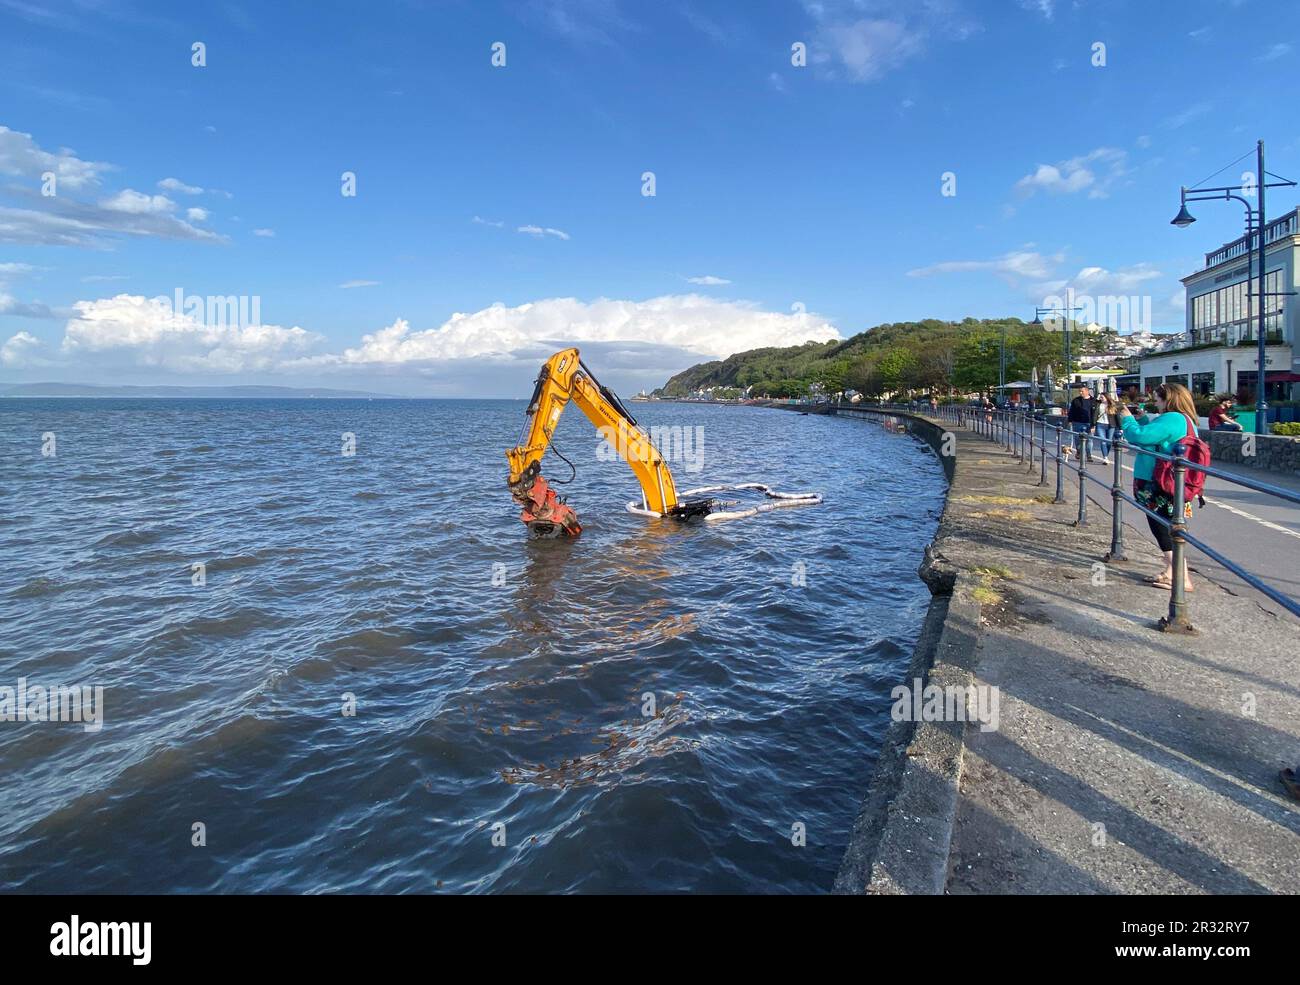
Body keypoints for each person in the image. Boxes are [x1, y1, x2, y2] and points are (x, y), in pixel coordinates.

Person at [1107, 382, 1200, 592]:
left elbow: (1138, 437)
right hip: (1170, 481)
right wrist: (1141, 419)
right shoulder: (1185, 420)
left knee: (1162, 527)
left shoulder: (1173, 418)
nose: (1156, 403)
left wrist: (1127, 418)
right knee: (1167, 524)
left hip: (1159, 483)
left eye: (1158, 399)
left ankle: (1181, 576)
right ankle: (1170, 572)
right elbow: (1152, 438)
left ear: (1169, 399)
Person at [1067, 385, 1099, 462]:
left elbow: (1095, 413)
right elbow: (1071, 411)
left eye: (1082, 391)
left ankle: (1089, 455)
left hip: (1089, 423)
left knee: (1089, 440)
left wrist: (1093, 425)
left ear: (1087, 391)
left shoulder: (1094, 401)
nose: (1081, 393)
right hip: (1077, 422)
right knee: (1077, 439)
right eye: (1080, 391)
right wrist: (1070, 420)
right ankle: (1079, 451)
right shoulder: (1076, 400)